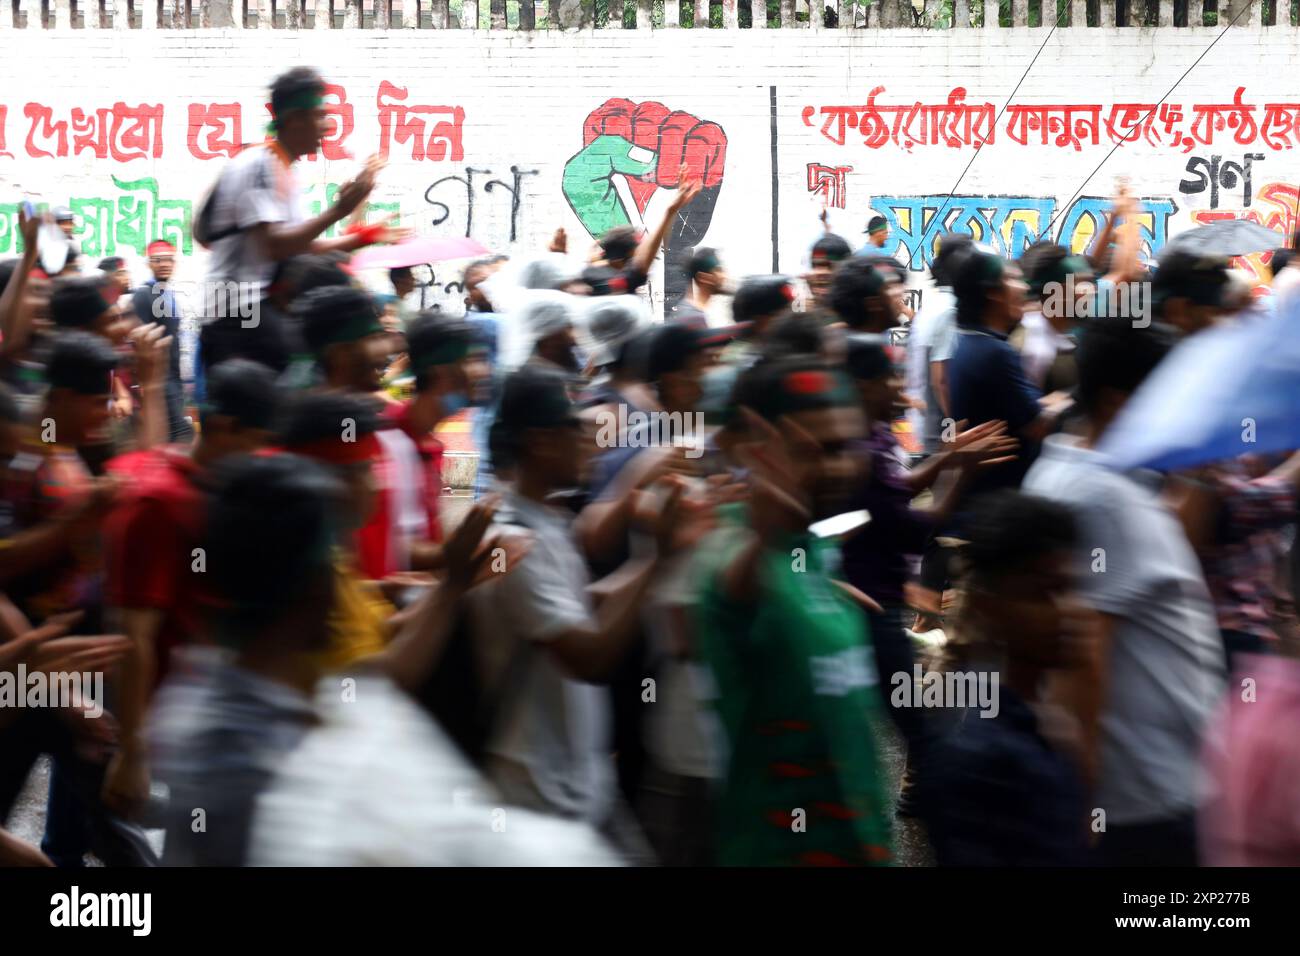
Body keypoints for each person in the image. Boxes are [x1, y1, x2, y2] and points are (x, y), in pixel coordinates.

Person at [1022, 318, 1227, 867]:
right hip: (1146, 799)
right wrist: (1083, 806)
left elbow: (1146, 566)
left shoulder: (1081, 472)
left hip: (1159, 787)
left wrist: (1199, 478)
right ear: (1118, 402)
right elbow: (1081, 660)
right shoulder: (1098, 497)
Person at [466, 365, 682, 860]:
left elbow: (588, 607)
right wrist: (653, 560)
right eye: (576, 428)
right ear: (541, 442)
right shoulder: (513, 541)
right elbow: (588, 655)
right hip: (535, 794)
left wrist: (660, 552)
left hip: (576, 781)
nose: (591, 439)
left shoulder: (547, 519)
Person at [691, 356, 893, 866]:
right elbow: (728, 589)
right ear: (755, 452)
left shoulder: (815, 546)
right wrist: (764, 538)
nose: (839, 467)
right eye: (817, 452)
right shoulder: (728, 543)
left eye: (847, 446)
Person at [99, 360, 281, 818]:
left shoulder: (225, 483)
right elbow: (134, 635)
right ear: (223, 426)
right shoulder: (159, 502)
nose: (262, 456)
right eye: (256, 442)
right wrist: (133, 752)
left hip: (215, 708)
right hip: (168, 719)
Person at [197, 66, 402, 375]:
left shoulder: (282, 170)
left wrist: (364, 237)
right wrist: (338, 211)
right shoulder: (259, 165)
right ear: (294, 119)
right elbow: (274, 247)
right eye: (319, 116)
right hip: (237, 313)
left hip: (255, 309)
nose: (328, 126)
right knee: (310, 372)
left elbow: (303, 247)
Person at [922, 491, 1091, 866]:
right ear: (988, 606)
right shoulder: (982, 757)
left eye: (1072, 589)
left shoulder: (1045, 724)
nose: (1069, 611)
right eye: (1045, 593)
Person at [296, 285, 426, 581]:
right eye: (375, 338)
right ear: (339, 354)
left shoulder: (387, 431)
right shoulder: (305, 440)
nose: (389, 350)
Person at [131, 240, 192, 443]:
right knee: (180, 433)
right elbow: (139, 339)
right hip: (159, 377)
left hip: (174, 376)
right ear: (149, 264)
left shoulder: (168, 294)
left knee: (169, 435)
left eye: (168, 260)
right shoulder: (143, 295)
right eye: (158, 260)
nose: (164, 264)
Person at [670, 247, 730, 329]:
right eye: (718, 270)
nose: (724, 276)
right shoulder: (693, 318)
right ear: (703, 277)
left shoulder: (692, 312)